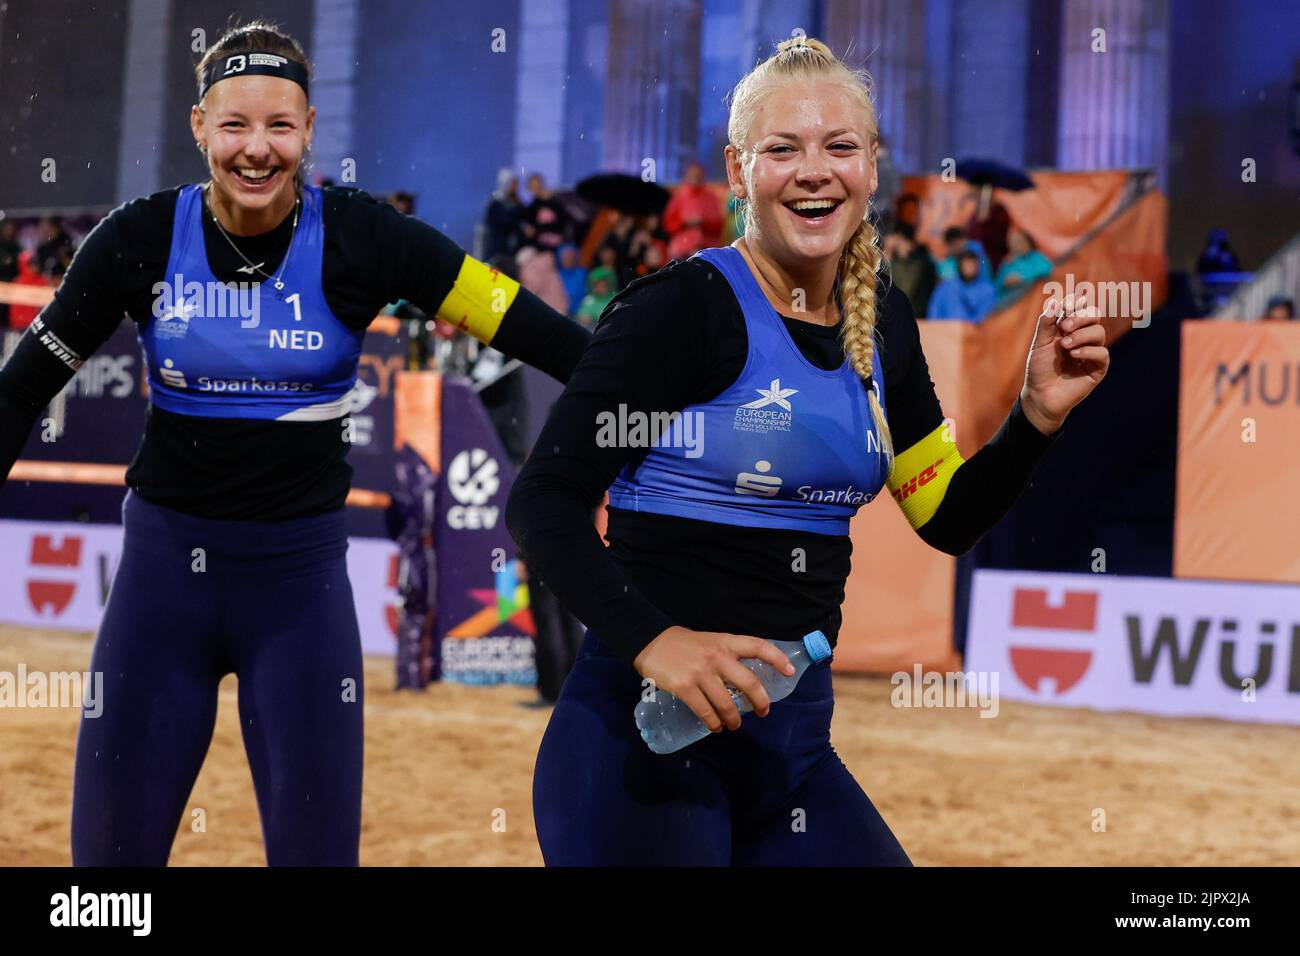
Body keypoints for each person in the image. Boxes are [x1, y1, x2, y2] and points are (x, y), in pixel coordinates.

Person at [0, 20, 590, 867]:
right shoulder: (135, 240)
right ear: (200, 126)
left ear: (311, 129)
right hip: (161, 591)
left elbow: (528, 327)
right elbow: (20, 391)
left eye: (280, 126)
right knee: (105, 890)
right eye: (235, 125)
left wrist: (657, 386)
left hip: (299, 597)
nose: (256, 149)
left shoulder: (363, 236)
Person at [507, 36, 1108, 866]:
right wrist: (654, 640)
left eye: (839, 147)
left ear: (873, 166)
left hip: (791, 756)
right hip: (639, 747)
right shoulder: (682, 309)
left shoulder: (885, 324)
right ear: (738, 170)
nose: (814, 171)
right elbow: (544, 501)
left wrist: (1035, 416)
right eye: (782, 149)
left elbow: (946, 517)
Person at [663, 161, 723, 259]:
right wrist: (684, 222)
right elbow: (669, 224)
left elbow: (718, 224)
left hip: (706, 249)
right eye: (693, 175)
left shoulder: (710, 197)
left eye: (698, 176)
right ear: (686, 176)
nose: (695, 178)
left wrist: (703, 222)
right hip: (682, 250)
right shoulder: (679, 196)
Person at [928, 249, 997, 321]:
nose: (969, 268)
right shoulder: (945, 286)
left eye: (972, 264)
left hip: (972, 331)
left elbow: (985, 317)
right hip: (945, 329)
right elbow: (934, 311)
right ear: (959, 265)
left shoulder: (987, 289)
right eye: (966, 264)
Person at [883, 223, 936, 317]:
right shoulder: (898, 261)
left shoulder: (919, 264)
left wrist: (887, 257)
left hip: (911, 315)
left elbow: (904, 290)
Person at [995, 227, 1052, 295]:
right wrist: (1004, 282)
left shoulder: (1037, 257)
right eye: (1012, 242)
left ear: (1027, 242)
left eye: (1018, 241)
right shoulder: (1007, 262)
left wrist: (1023, 279)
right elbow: (997, 286)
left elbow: (1047, 271)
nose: (1015, 245)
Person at [482, 168, 524, 262]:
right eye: (513, 183)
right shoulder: (496, 205)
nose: (516, 187)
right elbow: (508, 223)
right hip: (497, 252)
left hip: (511, 253)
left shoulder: (515, 203)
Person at [522, 173, 571, 251]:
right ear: (529, 189)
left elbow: (563, 223)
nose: (536, 188)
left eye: (537, 185)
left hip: (558, 243)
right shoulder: (530, 208)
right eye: (533, 186)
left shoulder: (555, 202)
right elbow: (530, 230)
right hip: (539, 246)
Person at [556, 243, 587, 317]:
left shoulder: (583, 273)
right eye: (566, 256)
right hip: (560, 313)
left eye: (571, 256)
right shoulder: (556, 275)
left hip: (581, 313)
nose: (569, 259)